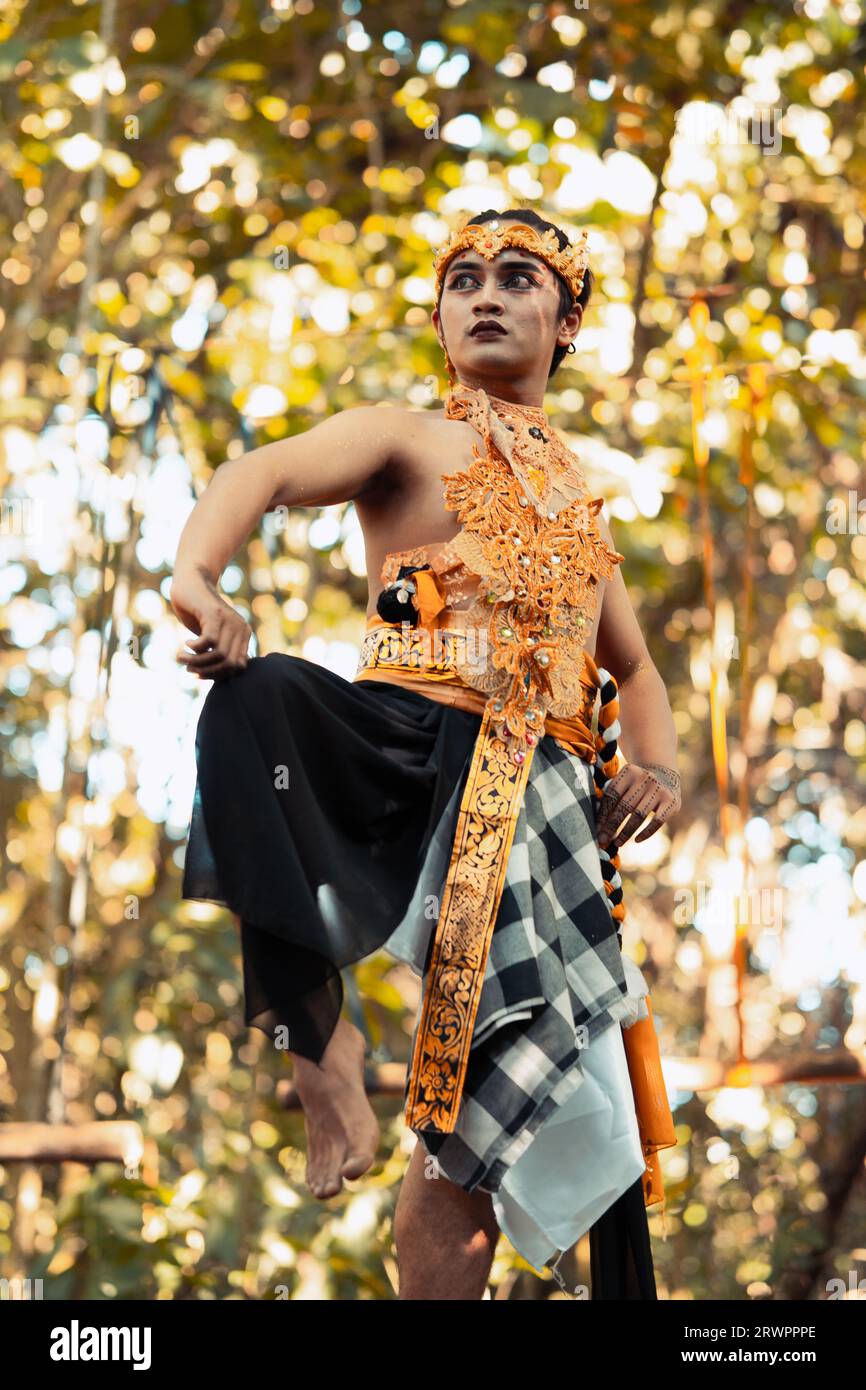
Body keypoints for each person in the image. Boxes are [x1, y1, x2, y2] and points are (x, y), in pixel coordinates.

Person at [170, 208, 682, 1300]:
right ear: (440, 319)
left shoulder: (580, 509)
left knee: (474, 1104)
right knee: (250, 698)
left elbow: (634, 671)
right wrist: (199, 581)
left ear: (565, 320)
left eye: (515, 277)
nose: (484, 294)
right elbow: (255, 473)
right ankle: (322, 1055)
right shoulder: (405, 433)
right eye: (460, 280)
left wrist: (657, 770)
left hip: (537, 797)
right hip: (403, 746)